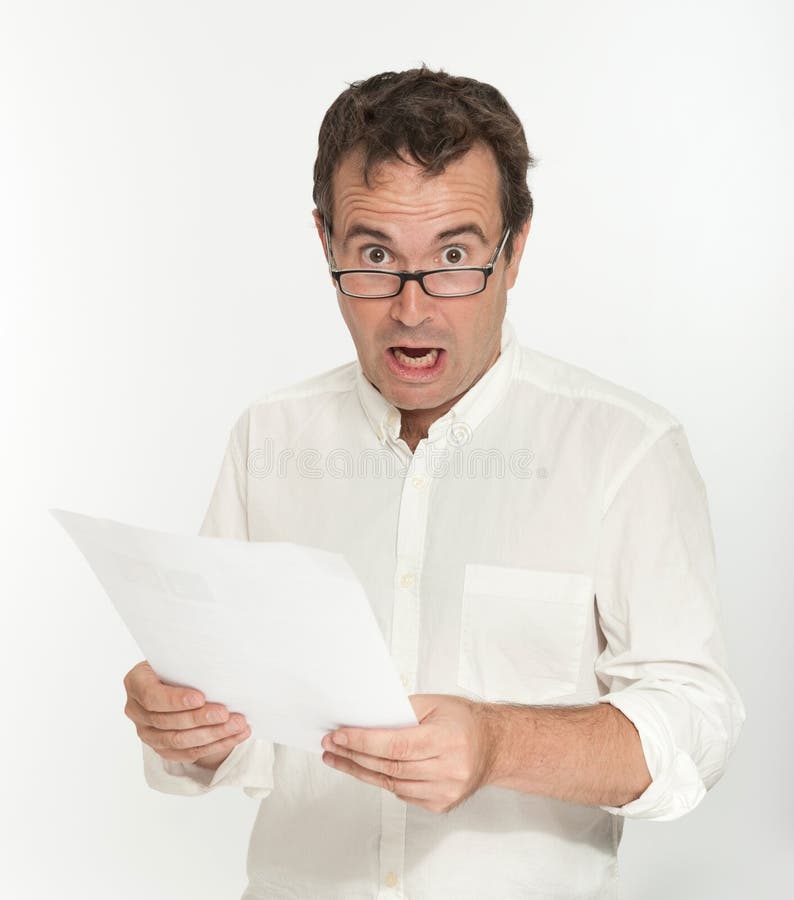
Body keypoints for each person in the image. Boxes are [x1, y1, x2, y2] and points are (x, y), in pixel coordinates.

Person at [123, 67, 745, 899]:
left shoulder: (624, 449)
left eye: (453, 256)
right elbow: (235, 726)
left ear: (514, 250)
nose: (413, 309)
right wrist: (184, 727)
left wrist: (498, 743)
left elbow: (697, 723)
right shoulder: (269, 438)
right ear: (326, 244)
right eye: (376, 255)